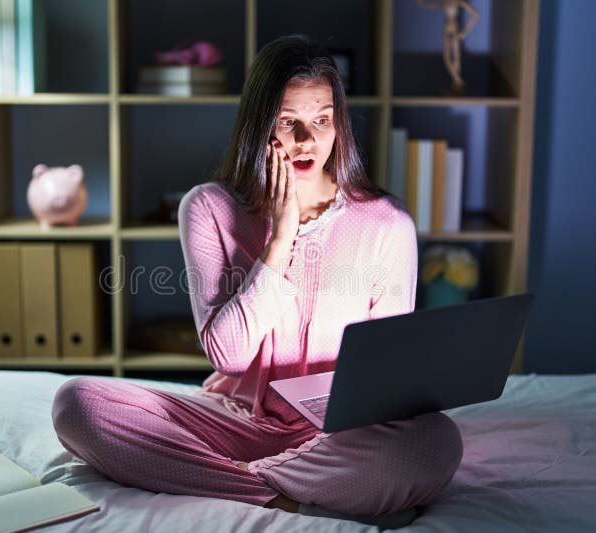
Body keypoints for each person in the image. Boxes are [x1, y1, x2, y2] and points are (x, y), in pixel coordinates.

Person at [52, 35, 463, 529]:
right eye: (289, 123)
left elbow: (386, 373)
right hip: (231, 419)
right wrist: (281, 237)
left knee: (436, 442)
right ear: (259, 125)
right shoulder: (208, 208)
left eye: (322, 120)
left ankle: (241, 480)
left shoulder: (385, 224)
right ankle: (274, 492)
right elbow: (227, 354)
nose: (307, 140)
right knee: (76, 405)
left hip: (336, 433)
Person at [417, 0, 479, 95]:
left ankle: (459, 84)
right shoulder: (446, 2)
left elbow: (475, 14)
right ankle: (456, 87)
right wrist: (422, 4)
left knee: (452, 61)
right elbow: (432, 5)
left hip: (454, 33)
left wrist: (464, 33)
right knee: (451, 61)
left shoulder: (459, 2)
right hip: (447, 32)